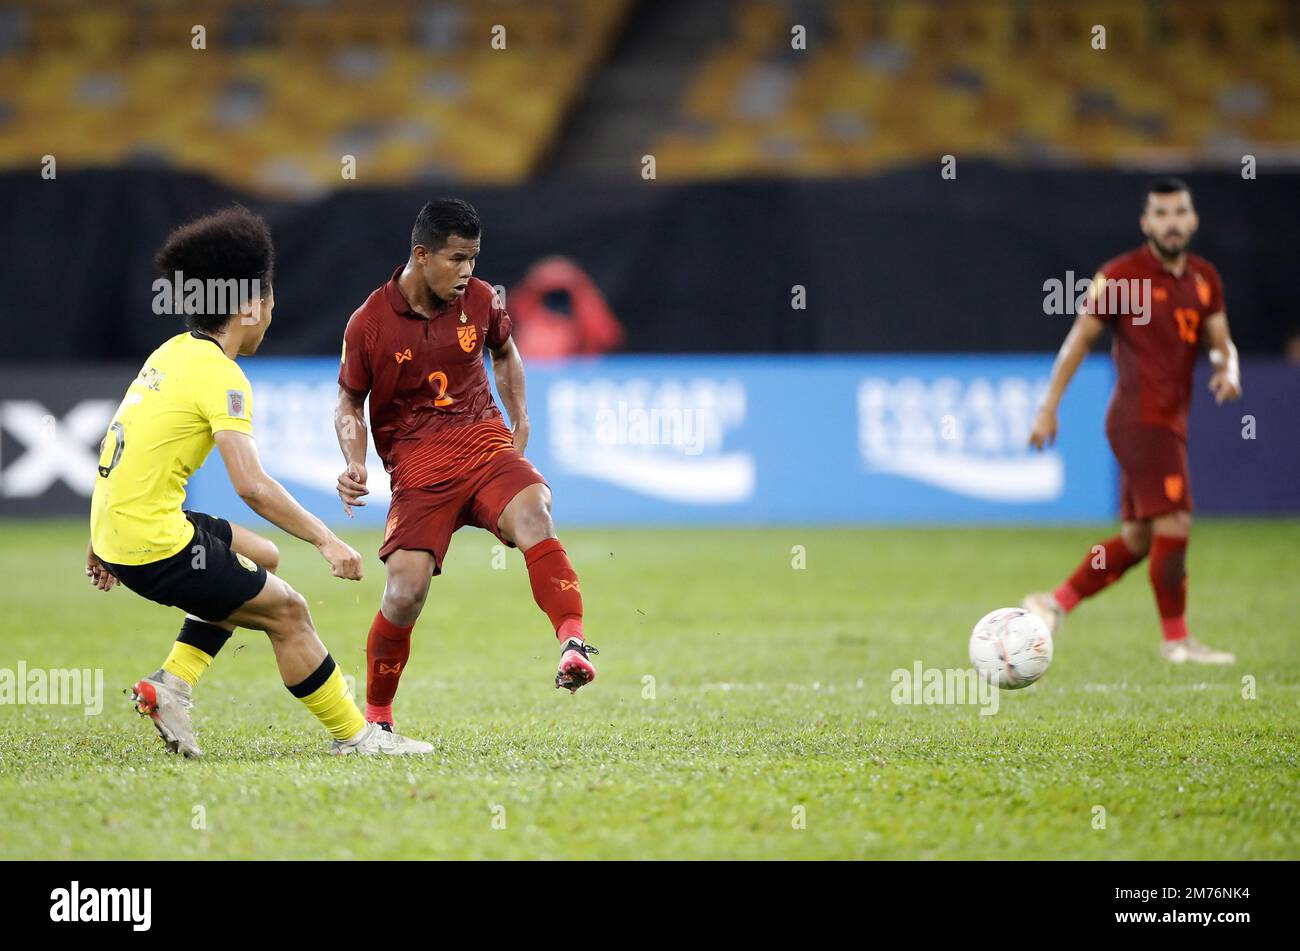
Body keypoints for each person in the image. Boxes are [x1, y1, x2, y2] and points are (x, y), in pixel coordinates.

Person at [87, 206, 433, 756]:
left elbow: (119, 443)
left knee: (263, 556)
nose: (272, 314)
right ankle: (357, 738)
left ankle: (171, 685)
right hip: (152, 542)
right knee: (289, 611)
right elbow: (251, 485)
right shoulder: (222, 377)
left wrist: (99, 537)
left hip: (124, 530)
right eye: (271, 302)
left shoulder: (171, 353)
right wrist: (326, 539)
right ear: (251, 306)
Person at [334, 198, 598, 731]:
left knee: (536, 513)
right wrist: (354, 461)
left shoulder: (479, 300)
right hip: (417, 463)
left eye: (473, 260)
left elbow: (504, 351)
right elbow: (347, 402)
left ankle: (572, 641)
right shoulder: (369, 324)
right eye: (456, 259)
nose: (467, 273)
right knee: (405, 591)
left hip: (482, 442)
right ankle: (378, 719)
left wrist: (518, 417)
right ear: (421, 255)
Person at [1023, 178, 1242, 664]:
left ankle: (1053, 603)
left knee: (1139, 540)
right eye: (1160, 214)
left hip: (1172, 419)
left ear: (1193, 219)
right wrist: (1048, 405)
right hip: (1139, 419)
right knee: (1177, 521)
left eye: (1179, 212)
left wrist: (1230, 369)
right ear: (1146, 223)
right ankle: (1177, 641)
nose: (1171, 222)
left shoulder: (1205, 278)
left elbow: (1221, 342)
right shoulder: (1121, 277)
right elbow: (1078, 340)